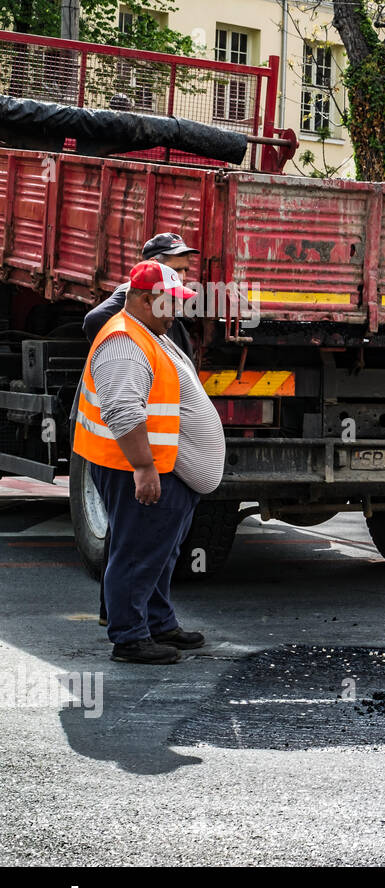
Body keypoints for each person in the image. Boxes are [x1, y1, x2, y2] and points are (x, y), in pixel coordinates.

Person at [73, 261, 226, 664]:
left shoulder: (148, 333)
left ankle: (157, 622)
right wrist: (144, 468)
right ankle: (129, 637)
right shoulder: (123, 342)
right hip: (138, 469)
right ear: (142, 299)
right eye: (169, 301)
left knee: (160, 550)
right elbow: (123, 411)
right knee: (138, 552)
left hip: (164, 467)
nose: (176, 311)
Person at [84, 233, 199, 357]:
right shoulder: (133, 295)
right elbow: (94, 319)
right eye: (176, 270)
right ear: (153, 264)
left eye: (185, 270)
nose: (183, 277)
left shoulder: (164, 295)